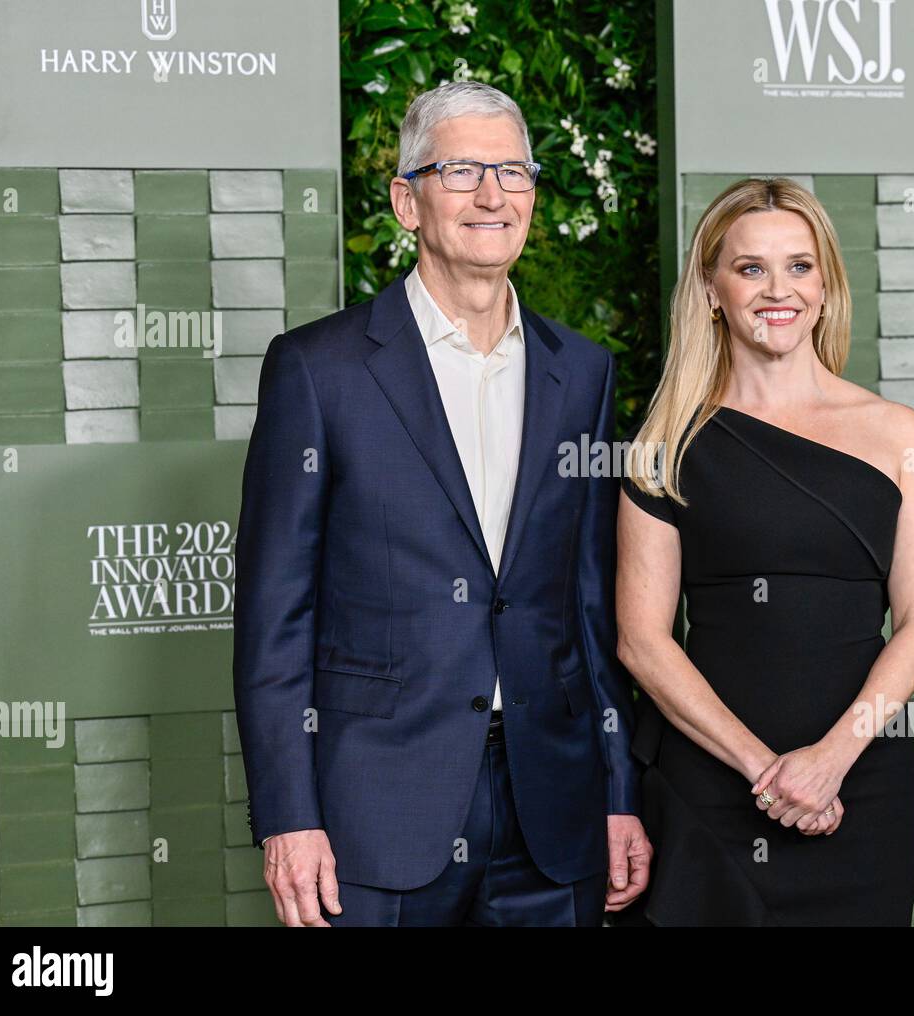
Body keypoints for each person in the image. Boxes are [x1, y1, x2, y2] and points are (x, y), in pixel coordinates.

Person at [233, 81, 650, 927]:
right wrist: (288, 814)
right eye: (462, 170)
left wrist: (618, 789)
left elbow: (590, 605)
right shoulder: (320, 370)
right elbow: (274, 617)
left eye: (514, 171)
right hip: (373, 819)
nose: (493, 195)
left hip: (554, 813)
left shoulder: (584, 375)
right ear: (406, 202)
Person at [615, 177, 914, 926]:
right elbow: (641, 642)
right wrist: (769, 773)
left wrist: (829, 762)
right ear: (711, 288)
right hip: (712, 788)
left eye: (800, 266)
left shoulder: (901, 436)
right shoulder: (665, 444)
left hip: (862, 789)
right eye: (751, 267)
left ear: (826, 286)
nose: (779, 290)